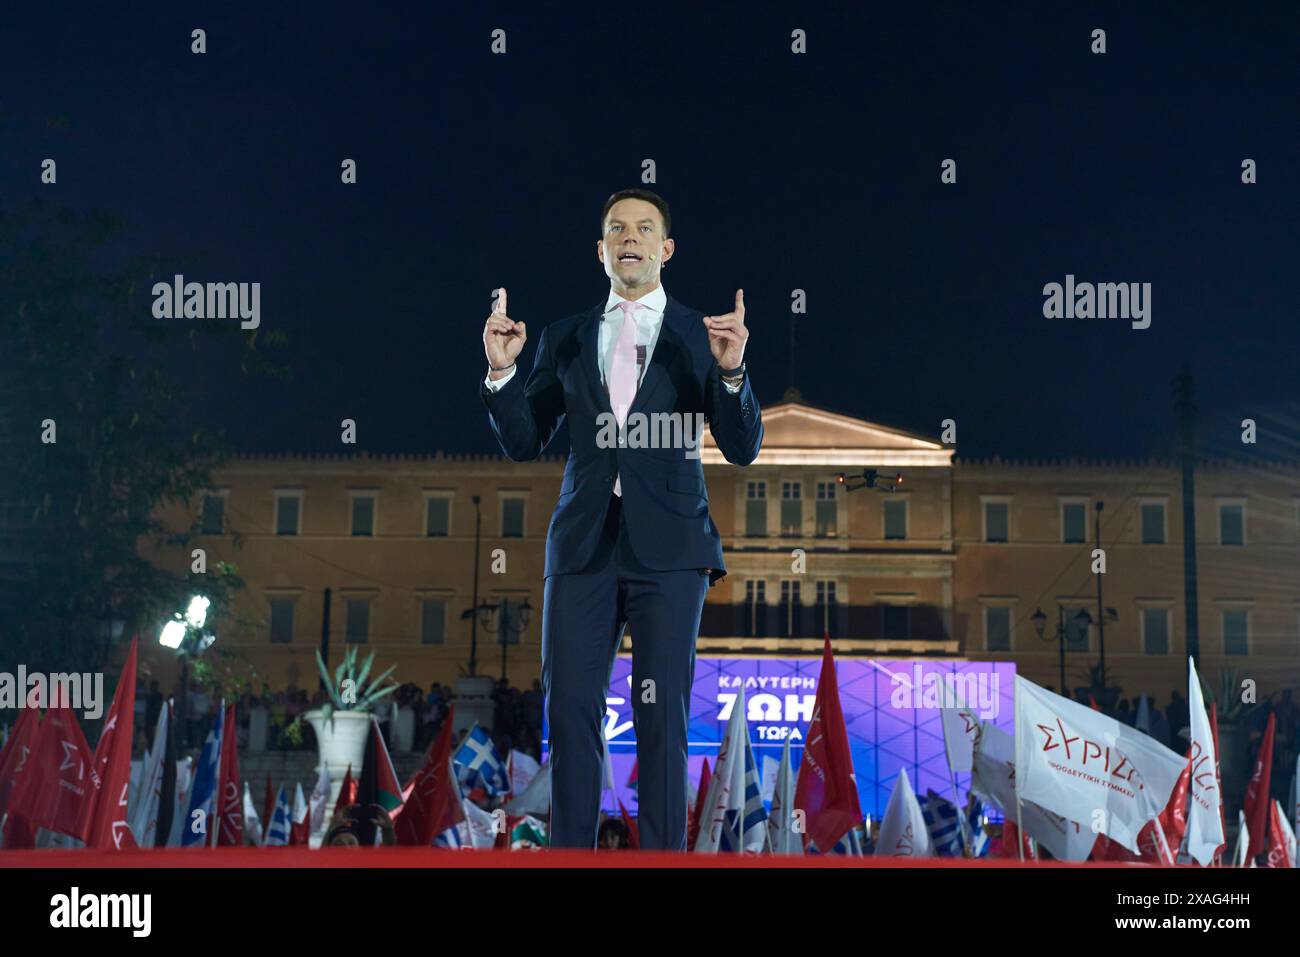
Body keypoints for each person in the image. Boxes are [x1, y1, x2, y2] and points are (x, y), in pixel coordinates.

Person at [480, 189, 763, 850]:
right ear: (600, 249)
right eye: (616, 229)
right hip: (582, 550)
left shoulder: (704, 334)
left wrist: (732, 373)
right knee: (571, 707)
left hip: (670, 552)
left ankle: (662, 858)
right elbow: (525, 439)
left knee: (660, 714)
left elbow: (743, 445)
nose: (629, 238)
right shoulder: (565, 336)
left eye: (644, 228)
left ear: (665, 248)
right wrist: (501, 374)